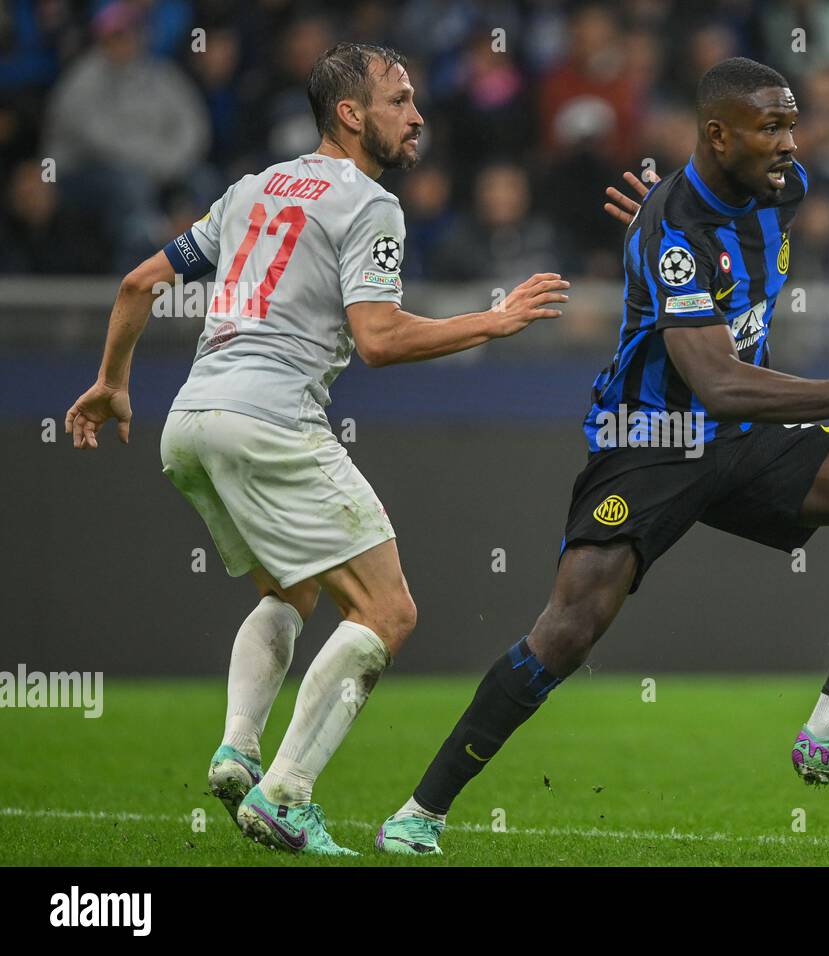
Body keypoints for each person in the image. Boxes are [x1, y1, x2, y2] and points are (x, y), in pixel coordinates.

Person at [373, 57, 829, 857]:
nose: (791, 144)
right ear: (718, 133)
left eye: (793, 124)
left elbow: (729, 307)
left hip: (743, 438)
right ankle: (420, 813)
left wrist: (656, 248)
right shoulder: (673, 231)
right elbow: (720, 382)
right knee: (569, 631)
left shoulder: (779, 193)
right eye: (772, 128)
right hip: (651, 442)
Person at [63, 43, 568, 856]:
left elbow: (137, 284)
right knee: (388, 610)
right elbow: (378, 338)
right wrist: (494, 319)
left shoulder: (253, 188)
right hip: (269, 419)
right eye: (400, 100)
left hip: (189, 422)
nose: (417, 116)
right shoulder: (369, 203)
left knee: (293, 591)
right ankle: (287, 793)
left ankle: (238, 750)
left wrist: (114, 381)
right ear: (351, 114)